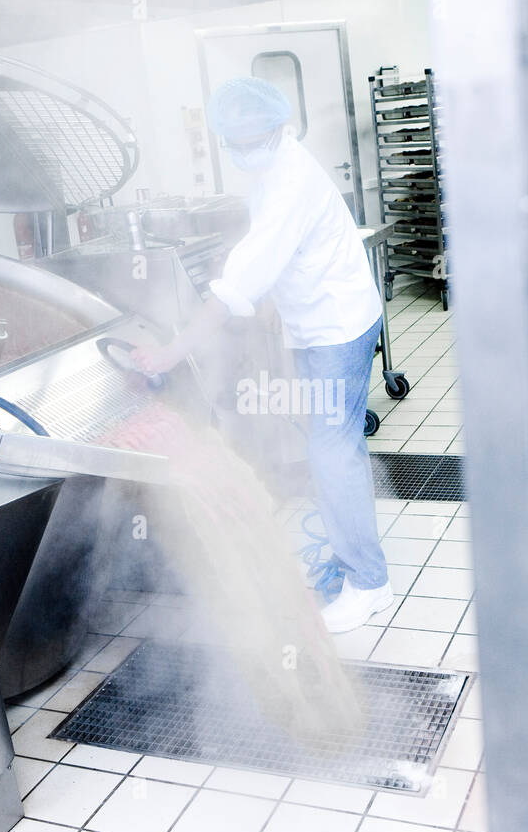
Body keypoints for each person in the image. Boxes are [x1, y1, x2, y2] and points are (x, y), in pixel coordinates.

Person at [132, 76, 392, 634]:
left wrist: (172, 351)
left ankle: (368, 583)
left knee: (333, 450)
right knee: (331, 442)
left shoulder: (288, 182)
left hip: (336, 326)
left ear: (281, 128)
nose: (245, 148)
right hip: (322, 319)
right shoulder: (278, 170)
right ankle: (359, 567)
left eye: (255, 137)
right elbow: (272, 260)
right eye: (237, 139)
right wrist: (272, 296)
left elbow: (237, 284)